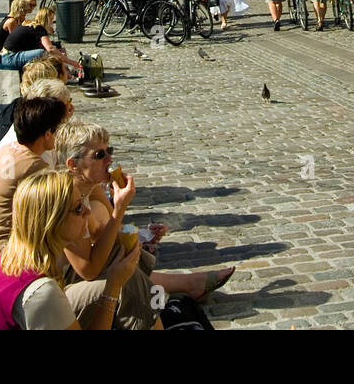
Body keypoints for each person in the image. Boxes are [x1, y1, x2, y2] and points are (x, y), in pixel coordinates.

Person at [57, 122, 235, 329]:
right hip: (60, 293)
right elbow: (88, 270)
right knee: (128, 279)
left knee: (128, 260)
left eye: (109, 151)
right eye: (99, 155)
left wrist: (141, 235)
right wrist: (119, 209)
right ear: (73, 165)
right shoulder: (65, 198)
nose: (110, 160)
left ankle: (162, 307)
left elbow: (112, 235)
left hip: (88, 276)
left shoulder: (92, 188)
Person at [0, 168, 143, 330]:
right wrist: (113, 287)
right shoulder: (41, 293)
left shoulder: (17, 254)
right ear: (52, 223)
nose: (87, 212)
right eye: (78, 208)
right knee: (127, 285)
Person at [0, 95, 70, 266]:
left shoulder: (6, 150)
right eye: (57, 130)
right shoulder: (34, 166)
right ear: (48, 134)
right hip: (9, 261)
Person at [0, 7, 82, 77]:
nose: (52, 23)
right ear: (46, 20)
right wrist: (71, 62)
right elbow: (49, 49)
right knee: (43, 53)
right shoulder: (39, 28)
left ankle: (65, 73)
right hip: (10, 57)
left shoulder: (32, 25)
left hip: (7, 55)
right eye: (51, 20)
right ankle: (63, 74)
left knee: (56, 51)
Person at [0, 0, 36, 70]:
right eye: (25, 12)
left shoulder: (15, 19)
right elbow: (17, 40)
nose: (25, 15)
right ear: (20, 10)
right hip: (1, 54)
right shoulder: (11, 22)